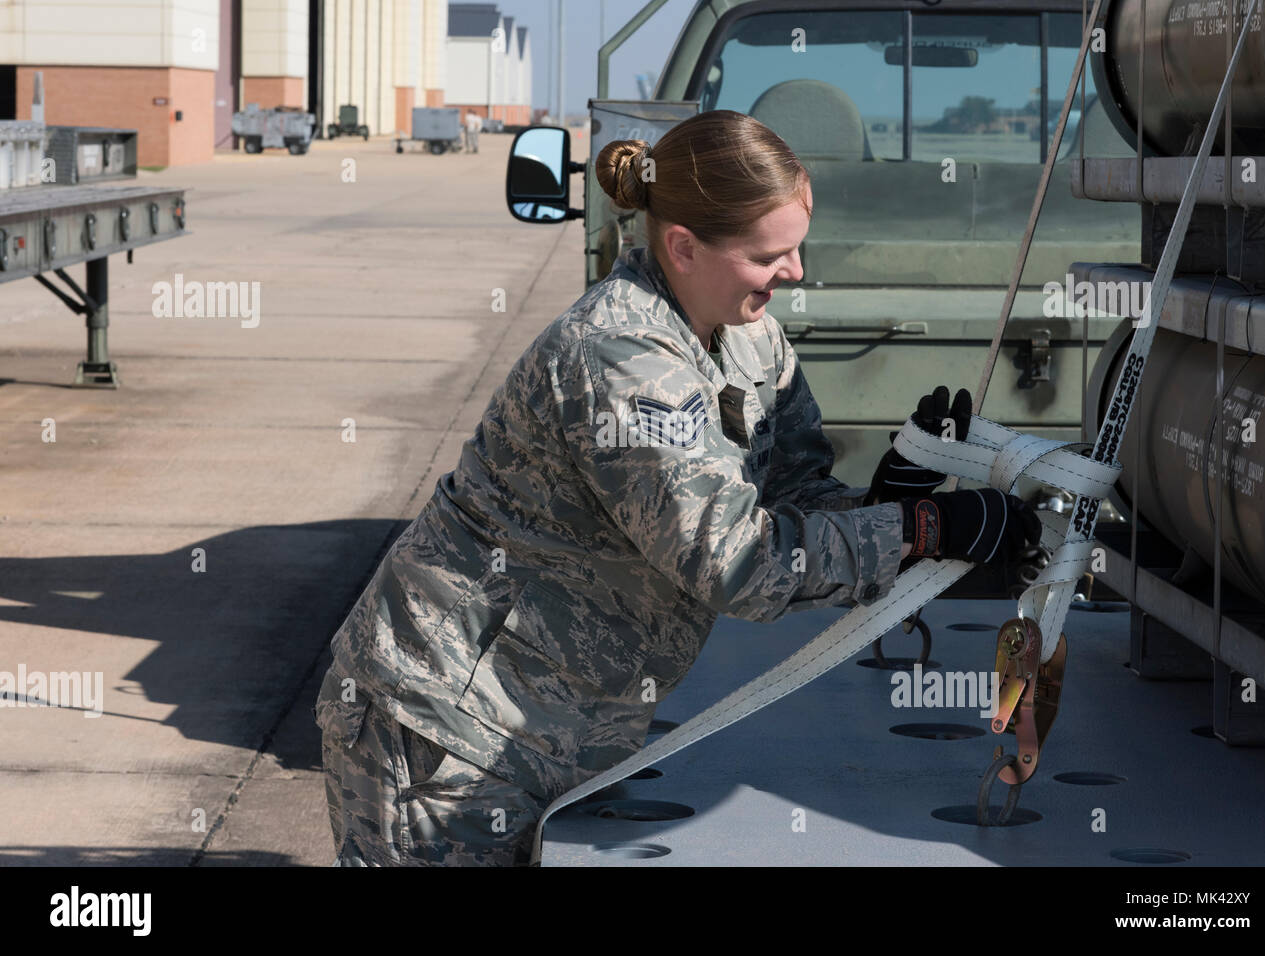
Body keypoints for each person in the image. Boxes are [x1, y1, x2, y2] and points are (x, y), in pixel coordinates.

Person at [314, 109, 1041, 866]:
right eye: (771, 255)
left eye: (796, 249)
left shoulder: (745, 331)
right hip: (450, 728)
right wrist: (923, 529)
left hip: (558, 720)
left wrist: (889, 501)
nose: (793, 273)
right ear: (684, 247)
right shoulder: (623, 359)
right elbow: (739, 562)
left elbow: (791, 498)